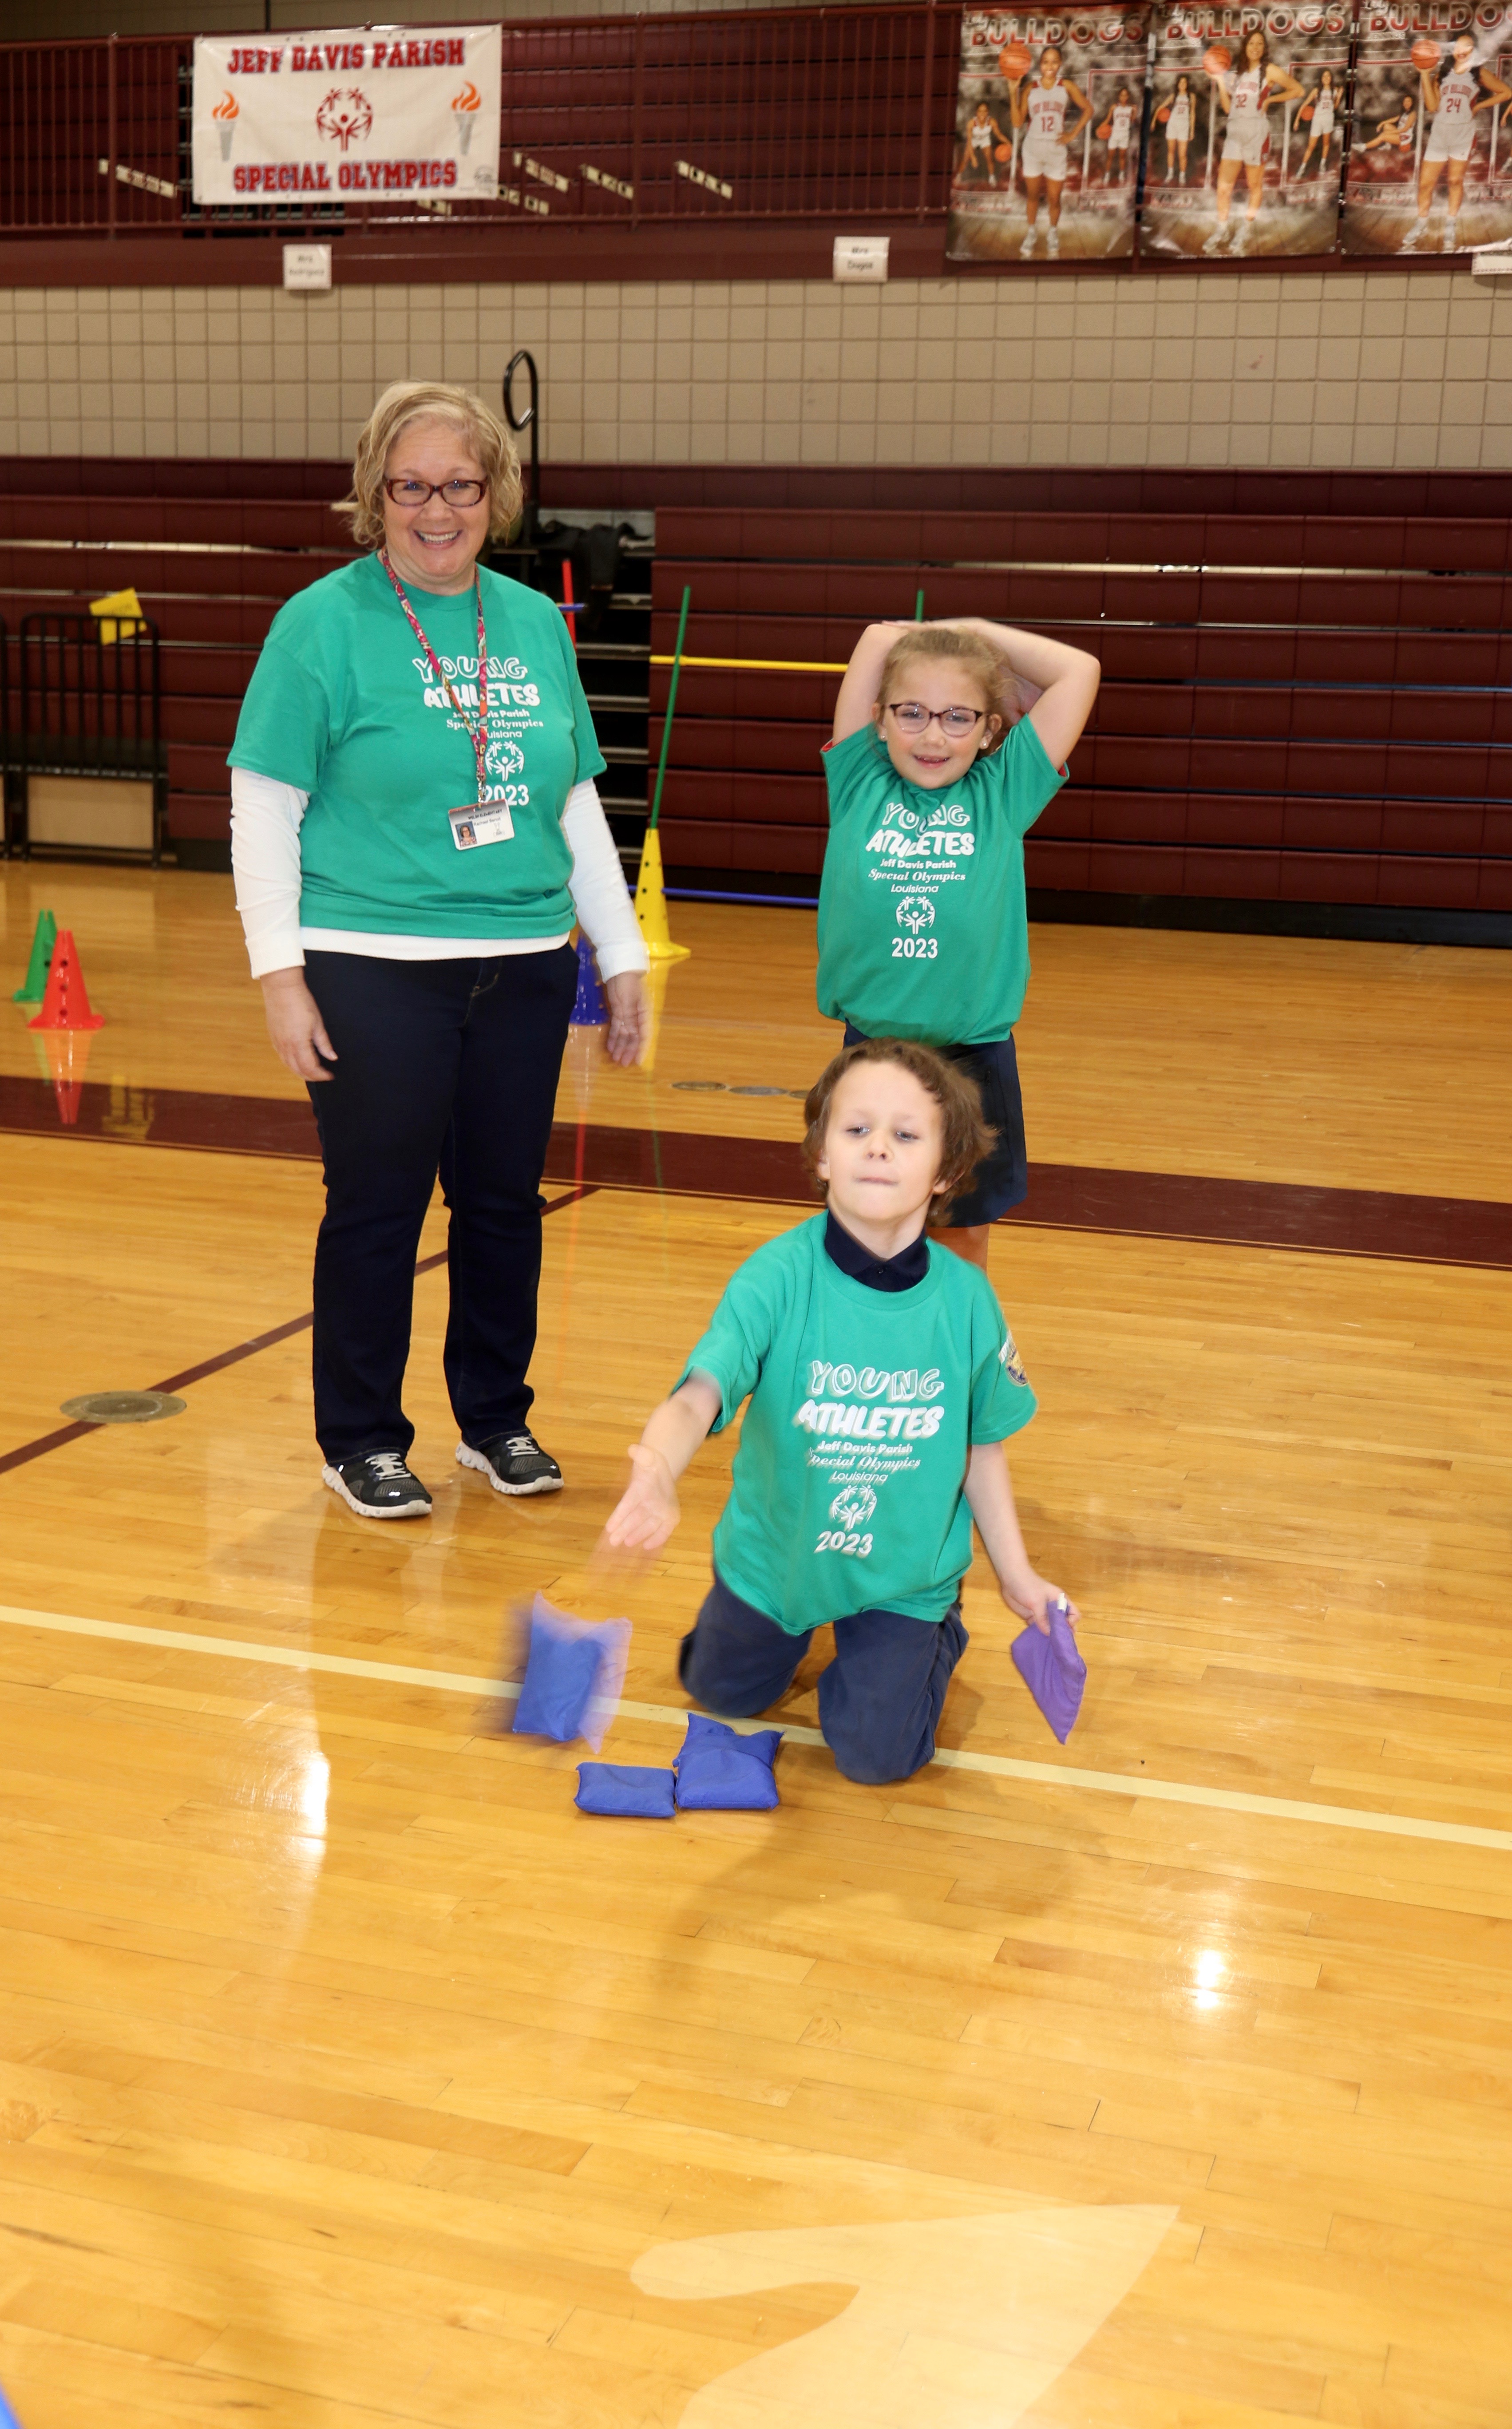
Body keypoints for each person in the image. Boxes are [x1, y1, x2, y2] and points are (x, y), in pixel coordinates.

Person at [228, 379, 649, 1521]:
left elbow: (569, 801)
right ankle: (359, 1437)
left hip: (520, 958)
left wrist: (619, 953)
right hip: (368, 958)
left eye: (457, 485)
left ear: (494, 493)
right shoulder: (321, 622)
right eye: (408, 485)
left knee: (504, 1202)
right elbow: (261, 803)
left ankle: (494, 1419)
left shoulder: (530, 621)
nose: (434, 509)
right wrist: (280, 973)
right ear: (374, 493)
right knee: (377, 1203)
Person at [603, 1039, 1077, 1786]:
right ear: (822, 1154)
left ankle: (928, 1636)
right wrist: (657, 1468)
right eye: (856, 1130)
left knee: (876, 1759)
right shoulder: (776, 1277)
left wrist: (1016, 1574)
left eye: (906, 1134)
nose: (879, 1148)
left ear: (947, 1170)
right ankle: (784, 1634)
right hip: (777, 1563)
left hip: (902, 1573)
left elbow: (980, 1447)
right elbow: (699, 1393)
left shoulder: (967, 1302)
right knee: (720, 1691)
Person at [814, 615, 1100, 1274]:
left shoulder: (1004, 792)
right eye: (910, 713)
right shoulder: (859, 780)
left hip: (972, 1059)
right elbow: (876, 639)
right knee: (866, 1231)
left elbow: (1078, 670)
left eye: (957, 717)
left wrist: (970, 628)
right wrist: (928, 638)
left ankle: (954, 1361)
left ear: (991, 729)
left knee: (962, 1238)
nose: (933, 735)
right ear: (878, 720)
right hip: (873, 1054)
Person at [1401, 33, 1509, 251]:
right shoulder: (1441, 74)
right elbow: (1433, 107)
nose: (1462, 50)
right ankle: (1422, 222)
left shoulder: (1479, 73)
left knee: (1454, 181)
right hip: (1440, 133)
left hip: (1464, 134)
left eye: (1468, 45)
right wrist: (1424, 74)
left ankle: (1450, 224)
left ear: (1474, 49)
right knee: (1425, 184)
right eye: (1458, 45)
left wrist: (1478, 107)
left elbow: (1506, 92)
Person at [1203, 30, 1304, 253]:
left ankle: (1246, 229)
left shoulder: (1269, 70)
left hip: (1256, 133)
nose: (1255, 47)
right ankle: (1222, 229)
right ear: (1245, 47)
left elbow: (1298, 89)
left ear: (1264, 48)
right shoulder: (1237, 74)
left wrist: (1271, 100)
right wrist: (1220, 81)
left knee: (1254, 185)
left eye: (1260, 44)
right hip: (1235, 132)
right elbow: (1228, 108)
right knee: (1223, 188)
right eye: (1252, 43)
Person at [1011, 45, 1092, 258]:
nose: (1050, 66)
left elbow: (1089, 109)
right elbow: (1018, 122)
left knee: (1055, 199)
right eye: (1046, 62)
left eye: (1054, 61)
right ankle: (1031, 232)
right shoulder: (1030, 88)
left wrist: (1072, 134)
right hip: (1033, 149)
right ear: (1040, 64)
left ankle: (1053, 232)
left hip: (1056, 150)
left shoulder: (1066, 86)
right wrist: (1013, 92)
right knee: (1033, 197)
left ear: (1060, 64)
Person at [956, 97, 1012, 188]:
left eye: (985, 111)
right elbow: (969, 141)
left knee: (990, 158)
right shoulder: (971, 123)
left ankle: (992, 177)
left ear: (988, 112)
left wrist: (1008, 143)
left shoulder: (991, 122)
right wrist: (973, 157)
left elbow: (999, 135)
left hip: (985, 139)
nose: (982, 114)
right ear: (976, 112)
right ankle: (959, 175)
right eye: (980, 111)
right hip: (974, 140)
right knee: (966, 158)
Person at [1298, 65, 1340, 177]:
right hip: (1318, 120)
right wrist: (1297, 120)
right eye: (1324, 76)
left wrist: (1339, 97)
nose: (1326, 78)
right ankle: (1302, 167)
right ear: (1321, 78)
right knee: (1311, 146)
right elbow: (1304, 105)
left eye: (1329, 76)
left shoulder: (1335, 91)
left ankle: (1323, 165)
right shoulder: (1317, 91)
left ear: (1331, 78)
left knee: (1326, 143)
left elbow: (1335, 107)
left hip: (1328, 119)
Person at [1159, 74, 1194, 180]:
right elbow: (1161, 107)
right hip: (1173, 125)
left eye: (1185, 82)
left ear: (1187, 84)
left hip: (1184, 126)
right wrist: (1154, 120)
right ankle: (1170, 174)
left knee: (1182, 154)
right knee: (1171, 151)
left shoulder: (1191, 96)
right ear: (1178, 84)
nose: (1183, 84)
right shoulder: (1174, 96)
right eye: (1181, 82)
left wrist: (1192, 131)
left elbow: (1192, 114)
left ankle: (1182, 176)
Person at [1104, 84, 1136, 181]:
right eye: (1122, 95)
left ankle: (1121, 174)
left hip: (1125, 135)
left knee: (1122, 157)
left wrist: (1135, 112)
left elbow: (1132, 122)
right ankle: (1107, 175)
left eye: (1126, 95)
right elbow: (1108, 120)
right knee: (1110, 156)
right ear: (1119, 97)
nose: (1124, 97)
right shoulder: (1114, 107)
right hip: (1114, 135)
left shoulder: (1130, 109)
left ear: (1128, 97)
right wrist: (1100, 127)